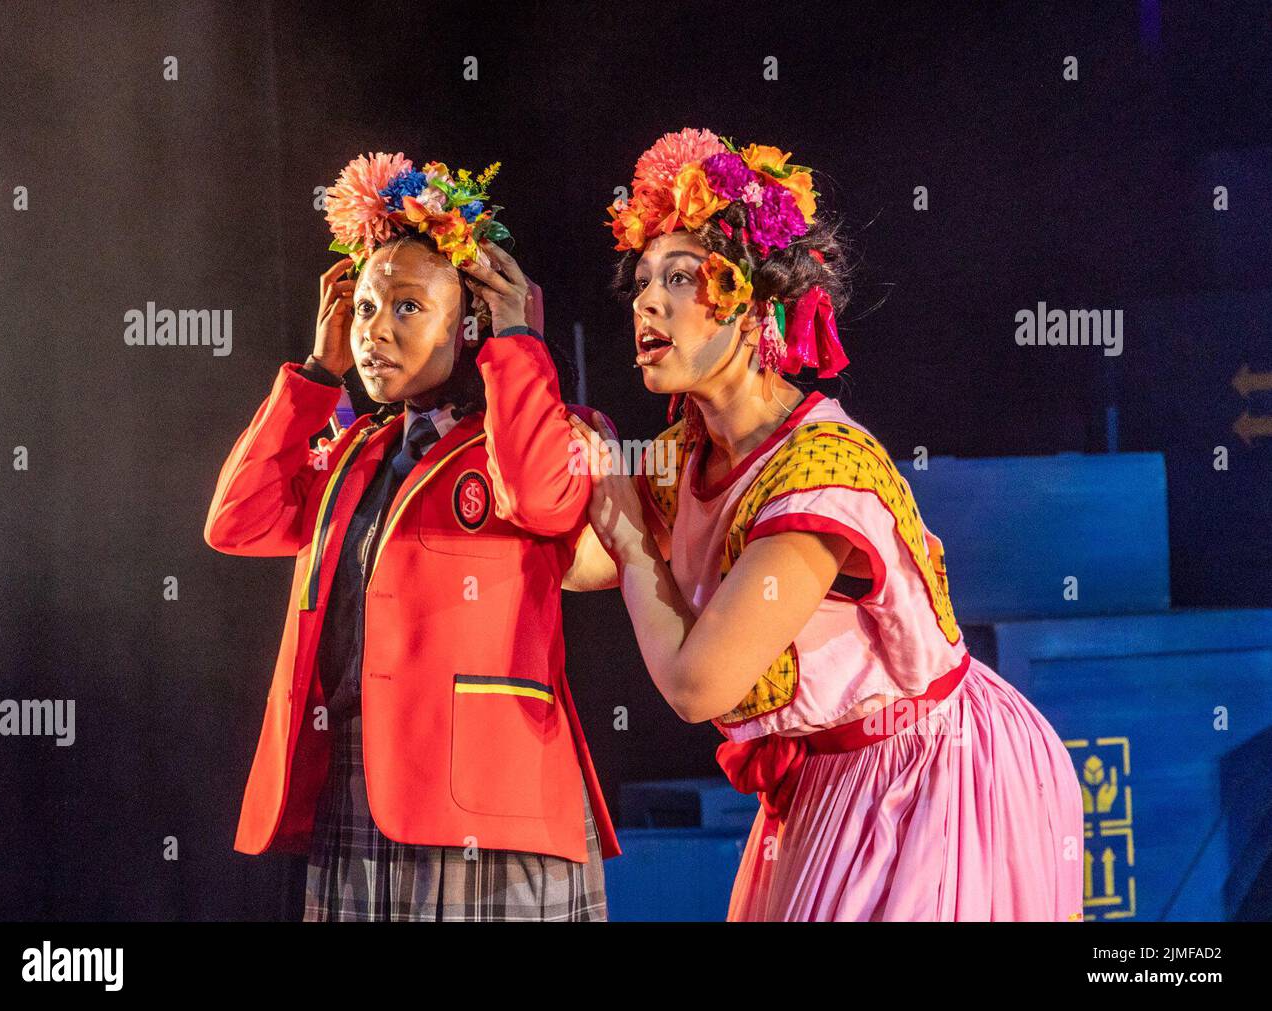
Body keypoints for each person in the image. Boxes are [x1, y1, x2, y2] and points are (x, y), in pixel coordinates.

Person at [563, 128, 1083, 921]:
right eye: (642, 280)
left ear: (753, 305)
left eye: (680, 277)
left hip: (924, 776)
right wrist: (512, 371)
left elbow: (698, 683)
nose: (646, 301)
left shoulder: (819, 473)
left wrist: (635, 539)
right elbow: (574, 559)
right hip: (831, 783)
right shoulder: (688, 453)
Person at [204, 152, 618, 921]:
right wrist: (315, 375)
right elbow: (238, 520)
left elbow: (543, 501)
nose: (375, 332)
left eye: (405, 308)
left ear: (469, 323)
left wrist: (518, 344)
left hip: (488, 808)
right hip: (358, 797)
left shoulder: (536, 434)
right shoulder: (355, 452)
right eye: (363, 308)